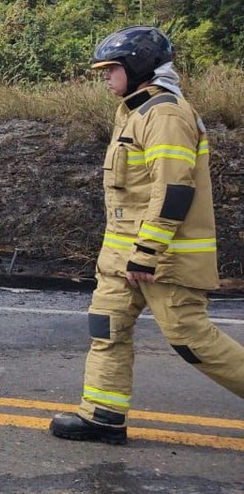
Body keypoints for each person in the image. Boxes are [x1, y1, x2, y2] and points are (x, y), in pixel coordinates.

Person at [49, 25, 244, 445]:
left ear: (137, 67)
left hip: (160, 259)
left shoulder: (166, 114)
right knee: (108, 327)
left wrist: (147, 251)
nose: (105, 77)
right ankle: (102, 416)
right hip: (123, 259)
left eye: (111, 69)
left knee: (192, 338)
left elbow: (173, 189)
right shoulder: (136, 110)